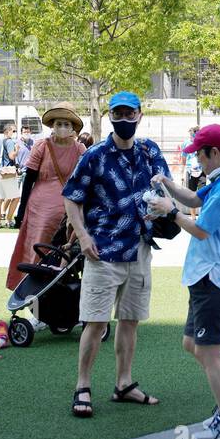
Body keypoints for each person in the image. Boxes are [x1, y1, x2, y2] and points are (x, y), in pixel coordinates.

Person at [62, 91, 168, 417]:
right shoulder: (94, 155)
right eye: (117, 114)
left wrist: (162, 209)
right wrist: (81, 236)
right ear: (110, 116)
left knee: (130, 320)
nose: (123, 120)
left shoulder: (150, 151)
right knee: (94, 322)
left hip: (140, 248)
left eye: (129, 114)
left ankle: (124, 383)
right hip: (103, 251)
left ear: (140, 114)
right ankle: (82, 386)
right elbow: (72, 197)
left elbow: (166, 189)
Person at [149, 123, 220, 439]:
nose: (197, 162)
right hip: (204, 278)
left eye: (200, 156)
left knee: (209, 352)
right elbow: (192, 196)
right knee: (192, 345)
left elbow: (202, 228)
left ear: (214, 153)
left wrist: (170, 212)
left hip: (215, 279)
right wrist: (166, 184)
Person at [6, 104, 86, 301]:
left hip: (67, 210)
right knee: (37, 252)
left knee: (63, 255)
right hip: (40, 210)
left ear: (73, 128)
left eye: (66, 124)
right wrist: (22, 210)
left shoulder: (80, 149)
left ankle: (58, 299)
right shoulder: (42, 146)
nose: (62, 127)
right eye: (59, 123)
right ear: (53, 125)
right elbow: (29, 179)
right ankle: (33, 297)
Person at [0, 122, 21, 229]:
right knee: (16, 197)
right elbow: (12, 156)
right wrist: (17, 150)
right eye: (13, 131)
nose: (14, 133)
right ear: (7, 131)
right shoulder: (9, 142)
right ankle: (9, 220)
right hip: (7, 173)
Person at [181, 125, 203, 190]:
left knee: (202, 191)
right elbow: (184, 156)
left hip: (201, 169)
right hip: (190, 170)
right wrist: (183, 170)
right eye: (190, 135)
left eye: (193, 135)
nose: (191, 137)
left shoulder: (201, 143)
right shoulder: (186, 143)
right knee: (190, 191)